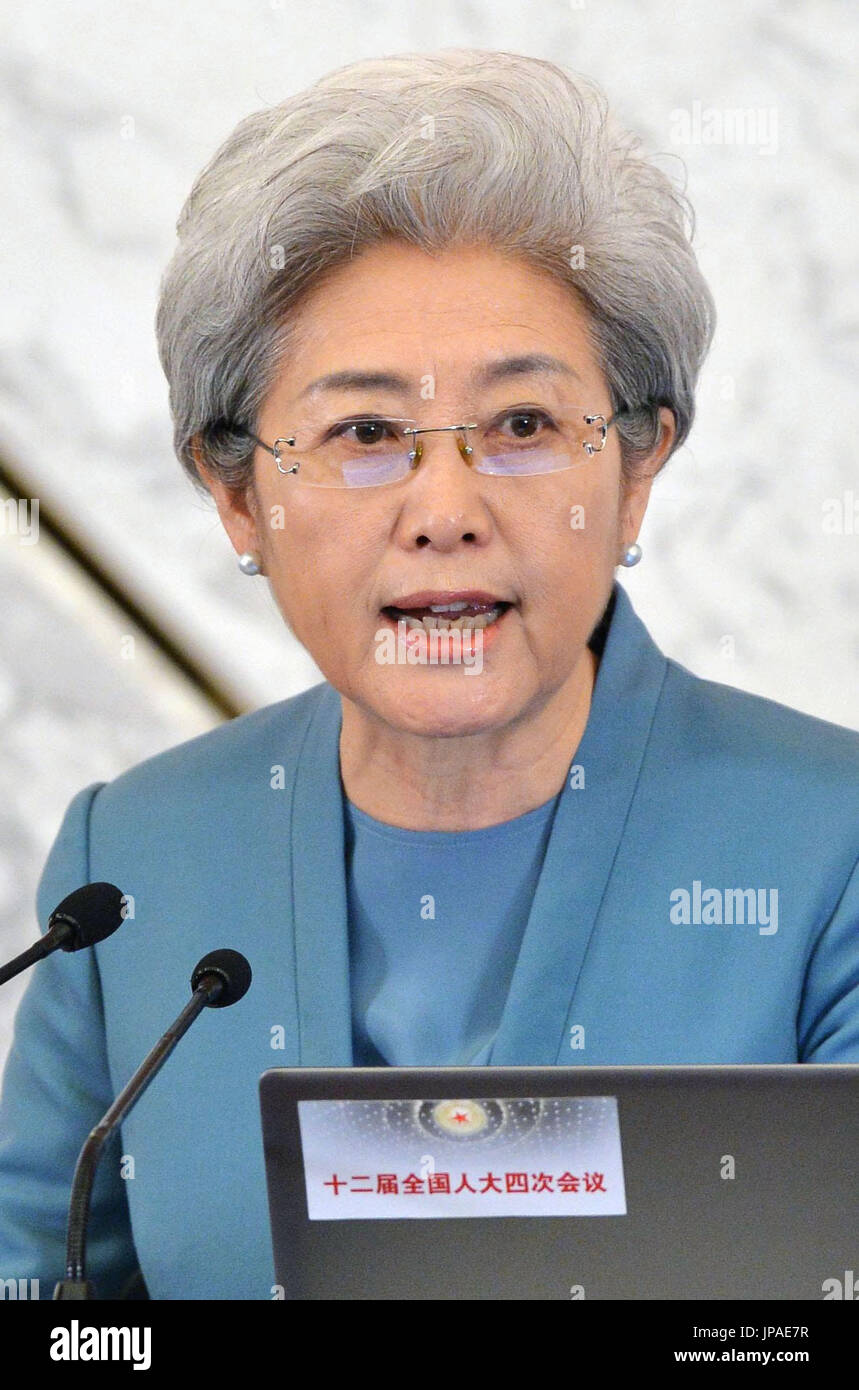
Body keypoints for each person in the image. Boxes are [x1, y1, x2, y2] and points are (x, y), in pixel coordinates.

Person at [1, 49, 857, 1301]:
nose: (442, 507)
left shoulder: (828, 845)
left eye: (520, 426)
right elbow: (49, 1305)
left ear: (636, 467)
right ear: (238, 496)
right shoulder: (127, 864)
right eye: (361, 434)